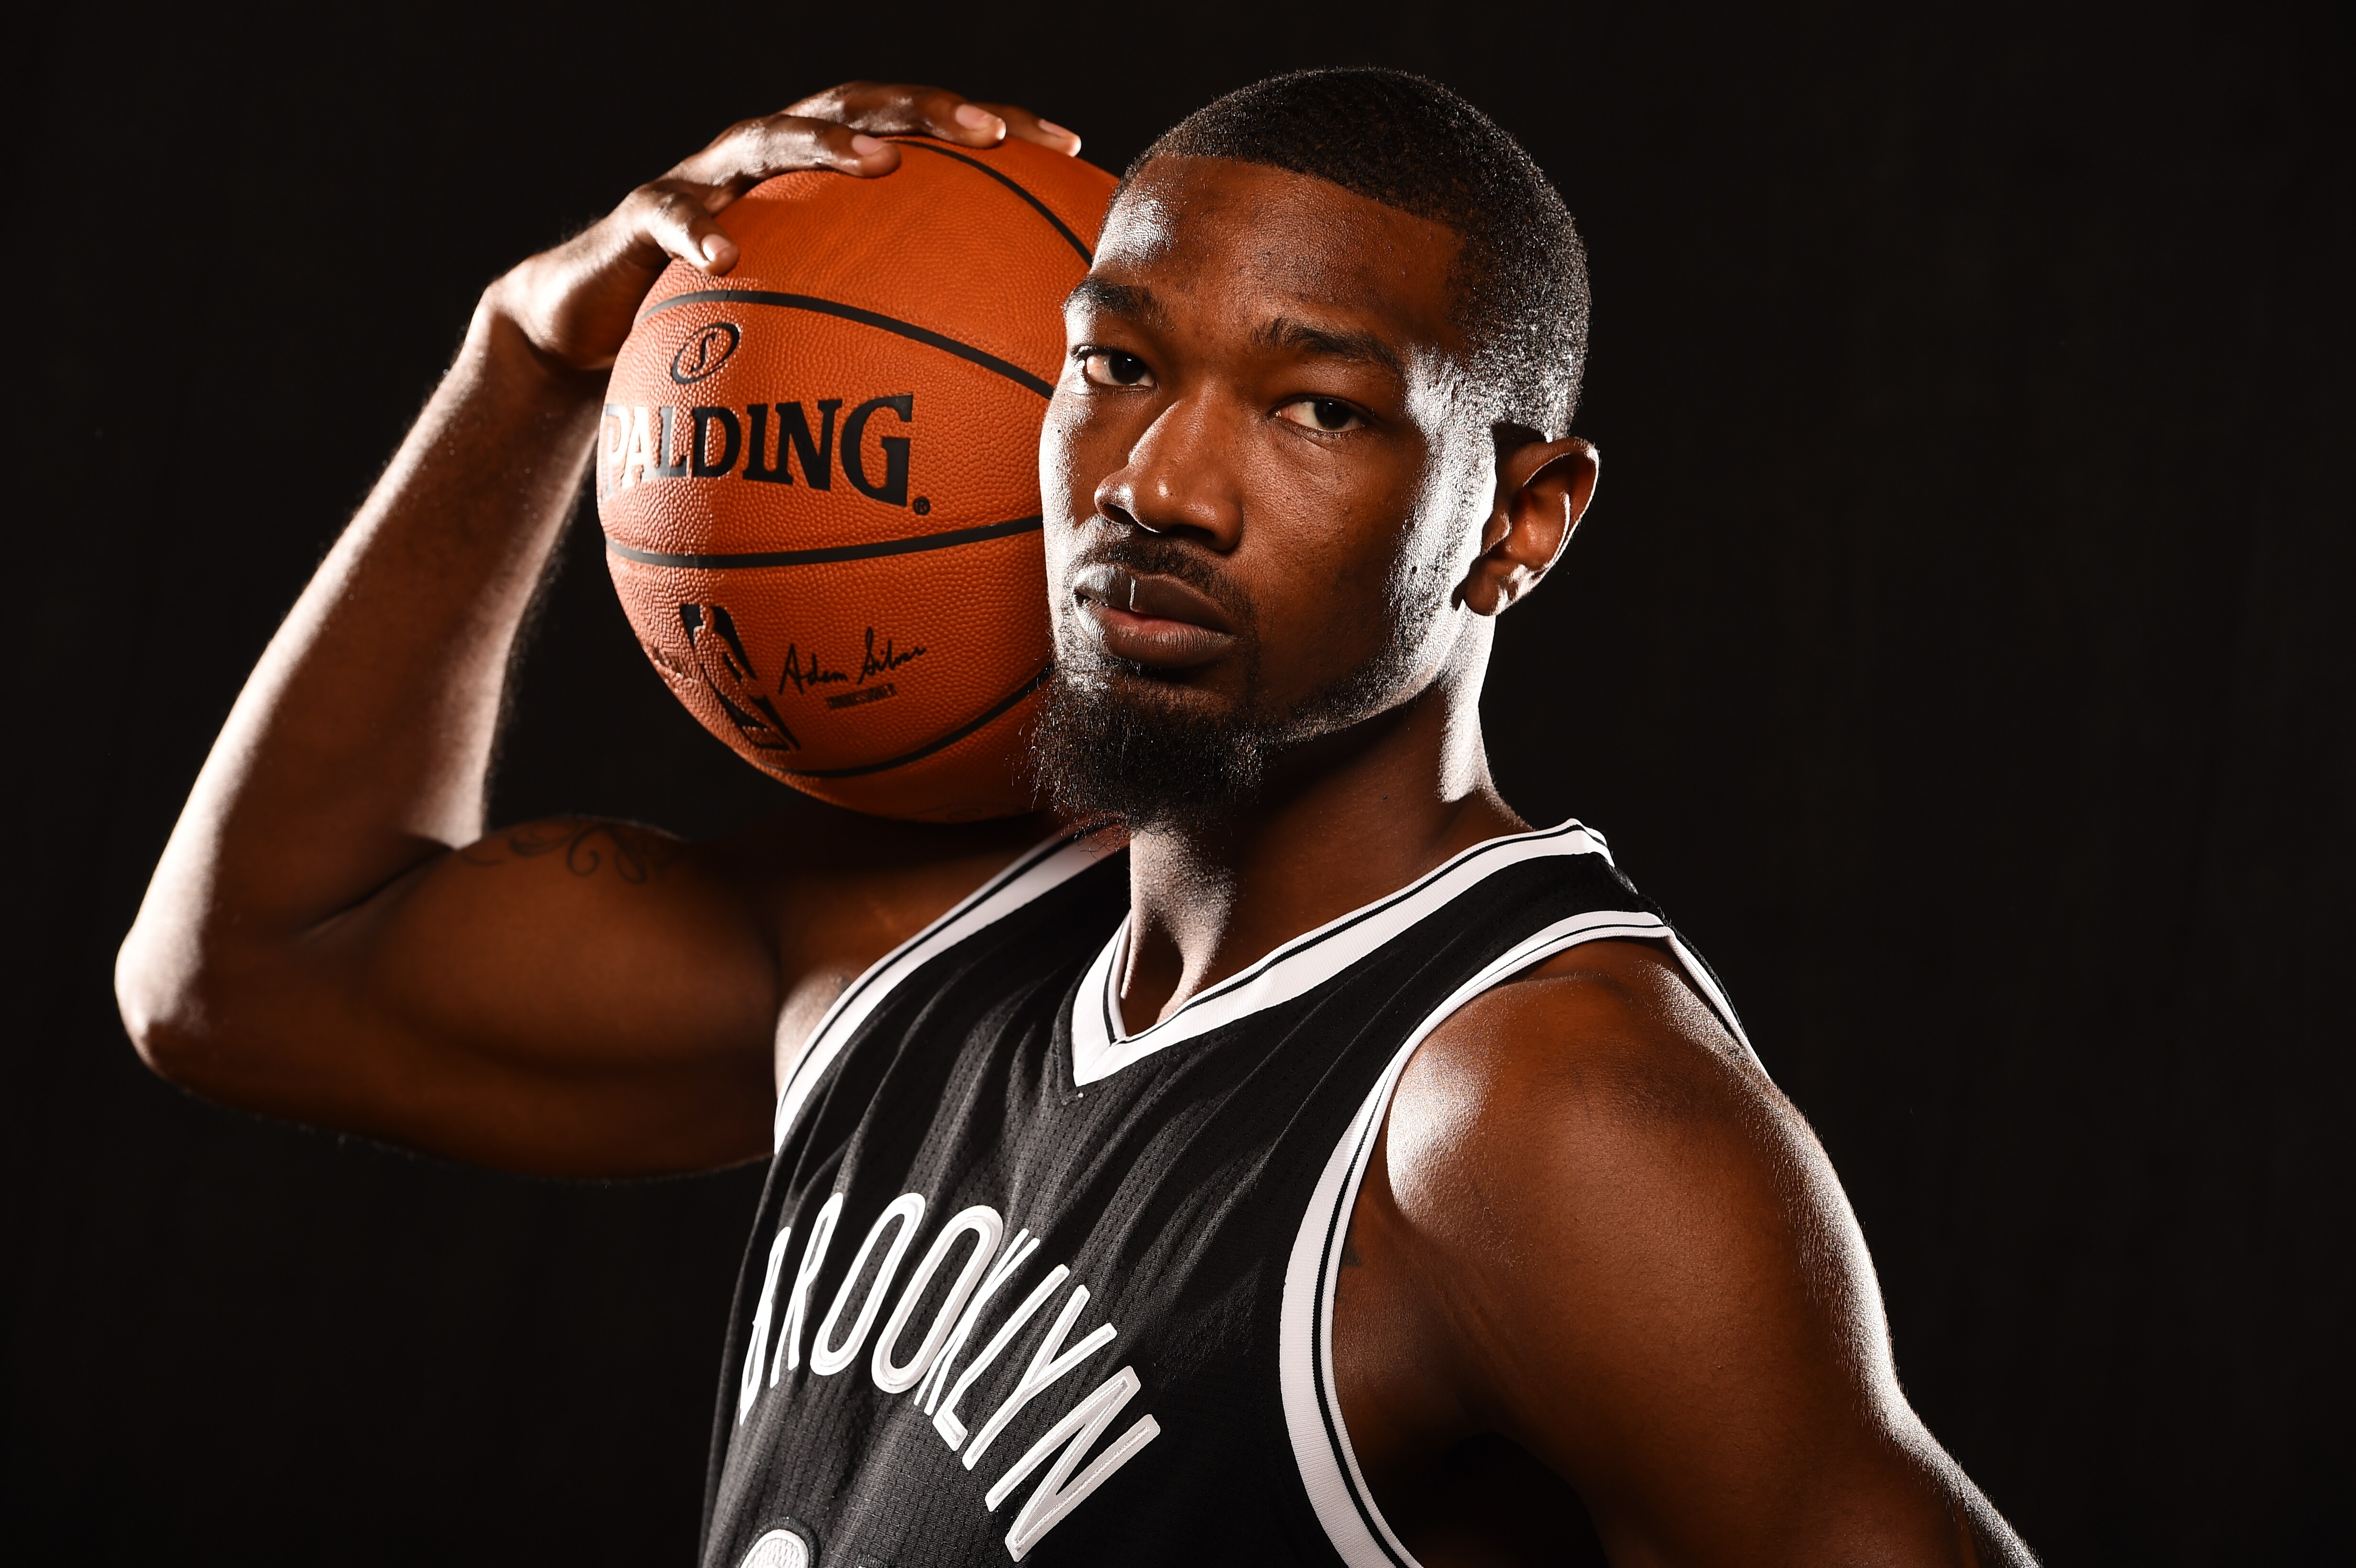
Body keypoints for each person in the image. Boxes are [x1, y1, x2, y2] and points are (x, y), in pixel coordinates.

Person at [116, 68, 2034, 1568]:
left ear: (1516, 522)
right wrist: (522, 370)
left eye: (1315, 410)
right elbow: (254, 975)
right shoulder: (908, 942)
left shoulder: (1533, 1111)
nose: (1160, 480)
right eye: (1113, 365)